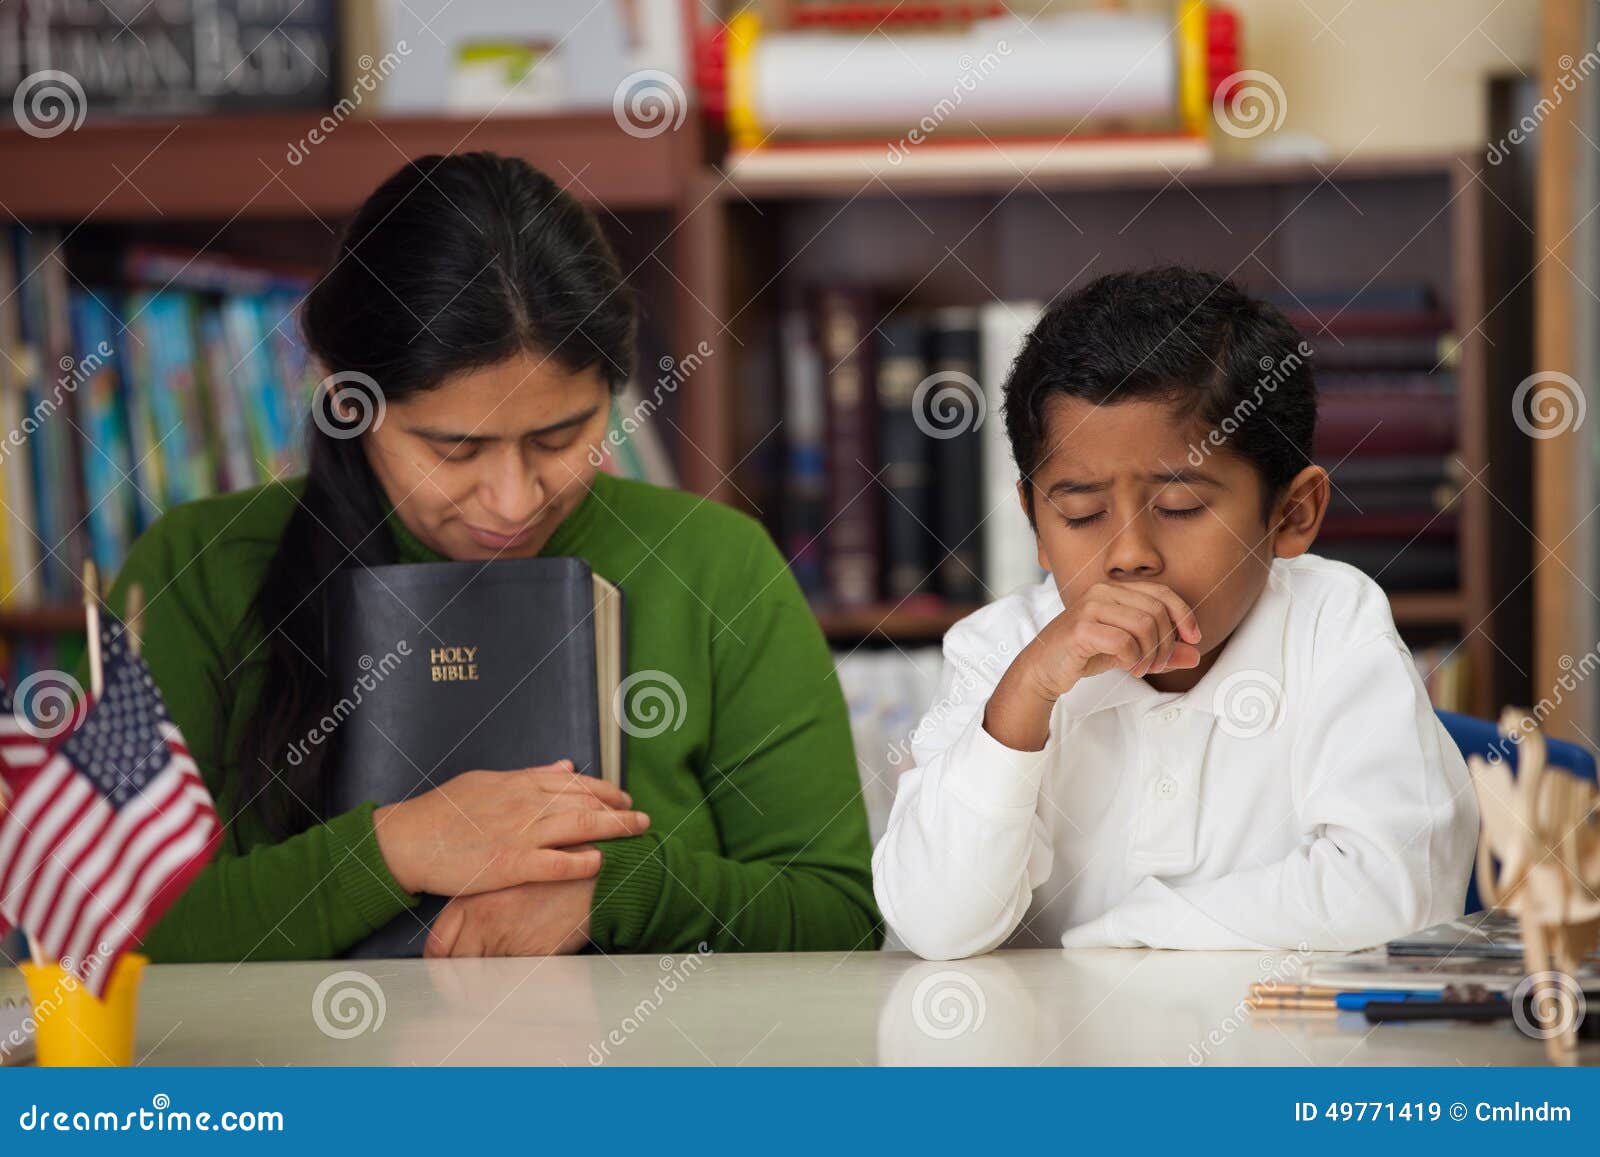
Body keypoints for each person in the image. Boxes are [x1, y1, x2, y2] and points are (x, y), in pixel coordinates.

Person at [106, 152, 880, 961]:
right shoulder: (194, 570)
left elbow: (836, 914)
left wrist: (615, 890)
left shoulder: (716, 561)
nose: (514, 500)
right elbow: (109, 932)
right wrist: (395, 848)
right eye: (454, 448)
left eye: (560, 438)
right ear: (346, 402)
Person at [872, 267, 1478, 959]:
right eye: (1081, 512)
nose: (1129, 553)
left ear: (1292, 513)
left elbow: (1400, 891)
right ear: (1036, 523)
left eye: (1181, 506)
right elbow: (932, 926)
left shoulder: (1333, 626)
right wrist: (1024, 697)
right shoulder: (996, 650)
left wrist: (1123, 935)